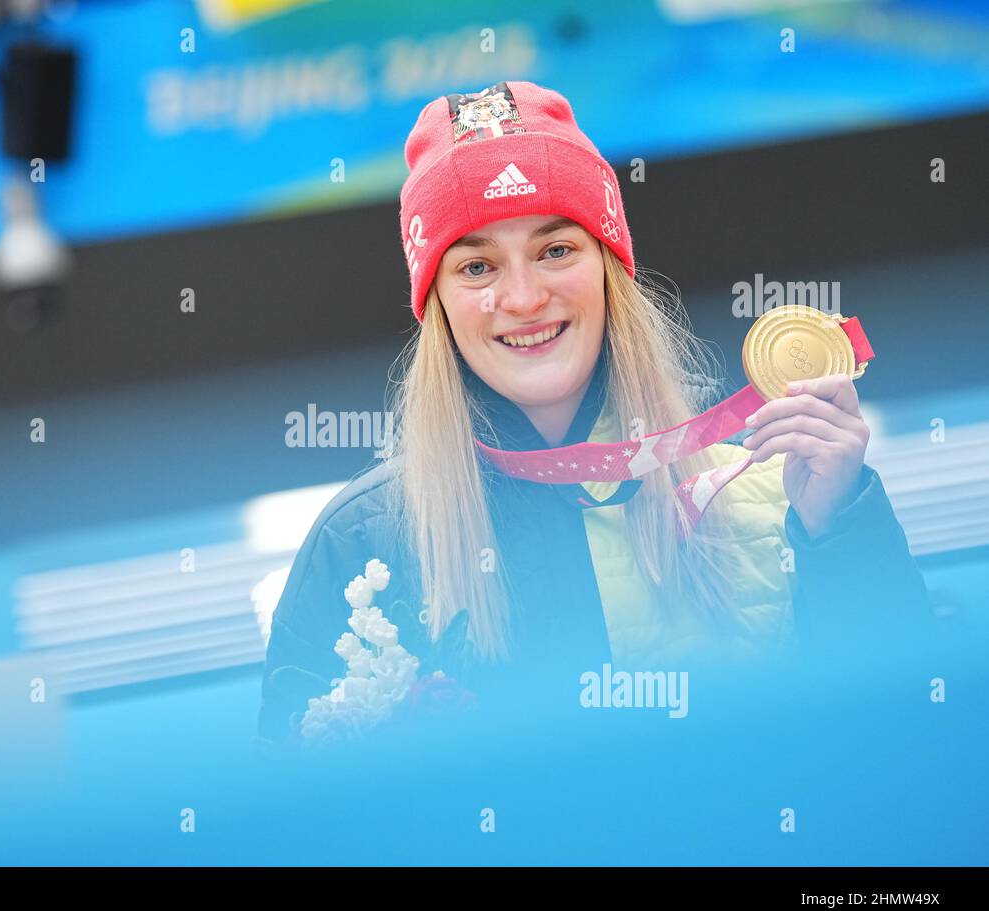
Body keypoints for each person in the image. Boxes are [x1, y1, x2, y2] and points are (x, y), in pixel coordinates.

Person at [256, 81, 933, 745]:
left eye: (556, 250)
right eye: (476, 267)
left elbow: (907, 743)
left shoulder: (760, 487)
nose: (522, 297)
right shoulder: (362, 545)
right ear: (438, 307)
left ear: (609, 270)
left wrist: (841, 524)